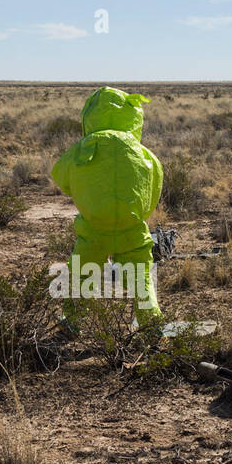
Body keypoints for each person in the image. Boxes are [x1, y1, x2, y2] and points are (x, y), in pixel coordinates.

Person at [51, 86, 163, 327]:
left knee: (82, 274)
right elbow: (154, 185)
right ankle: (151, 326)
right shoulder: (141, 152)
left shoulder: (83, 148)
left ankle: (73, 322)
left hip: (93, 229)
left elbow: (60, 176)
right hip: (132, 229)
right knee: (141, 278)